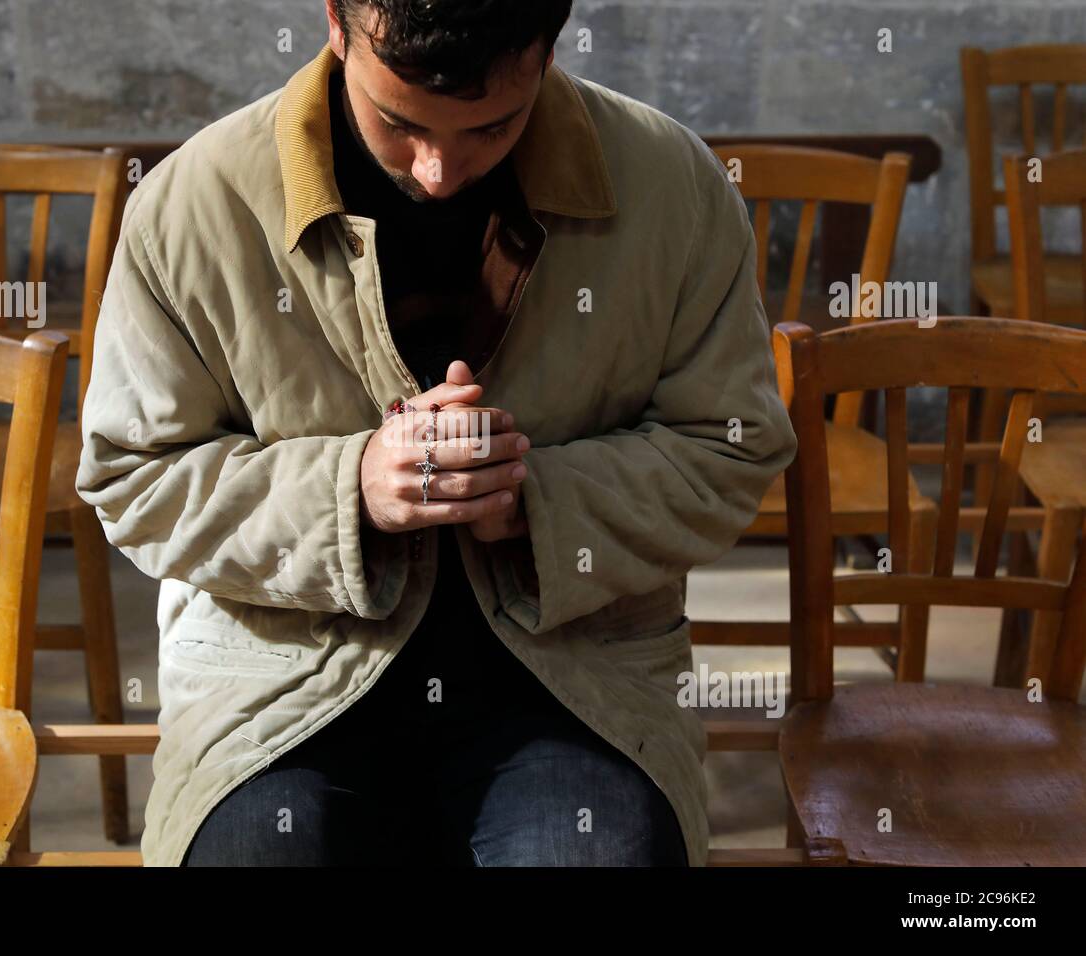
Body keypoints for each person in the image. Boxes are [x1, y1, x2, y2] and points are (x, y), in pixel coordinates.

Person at [76, 0, 797, 867]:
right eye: (398, 122)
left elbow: (731, 446)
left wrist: (537, 506)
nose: (440, 170)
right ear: (335, 25)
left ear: (548, 46)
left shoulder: (671, 187)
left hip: (573, 684)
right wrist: (353, 492)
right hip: (279, 681)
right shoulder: (194, 204)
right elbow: (133, 475)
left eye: (494, 127)